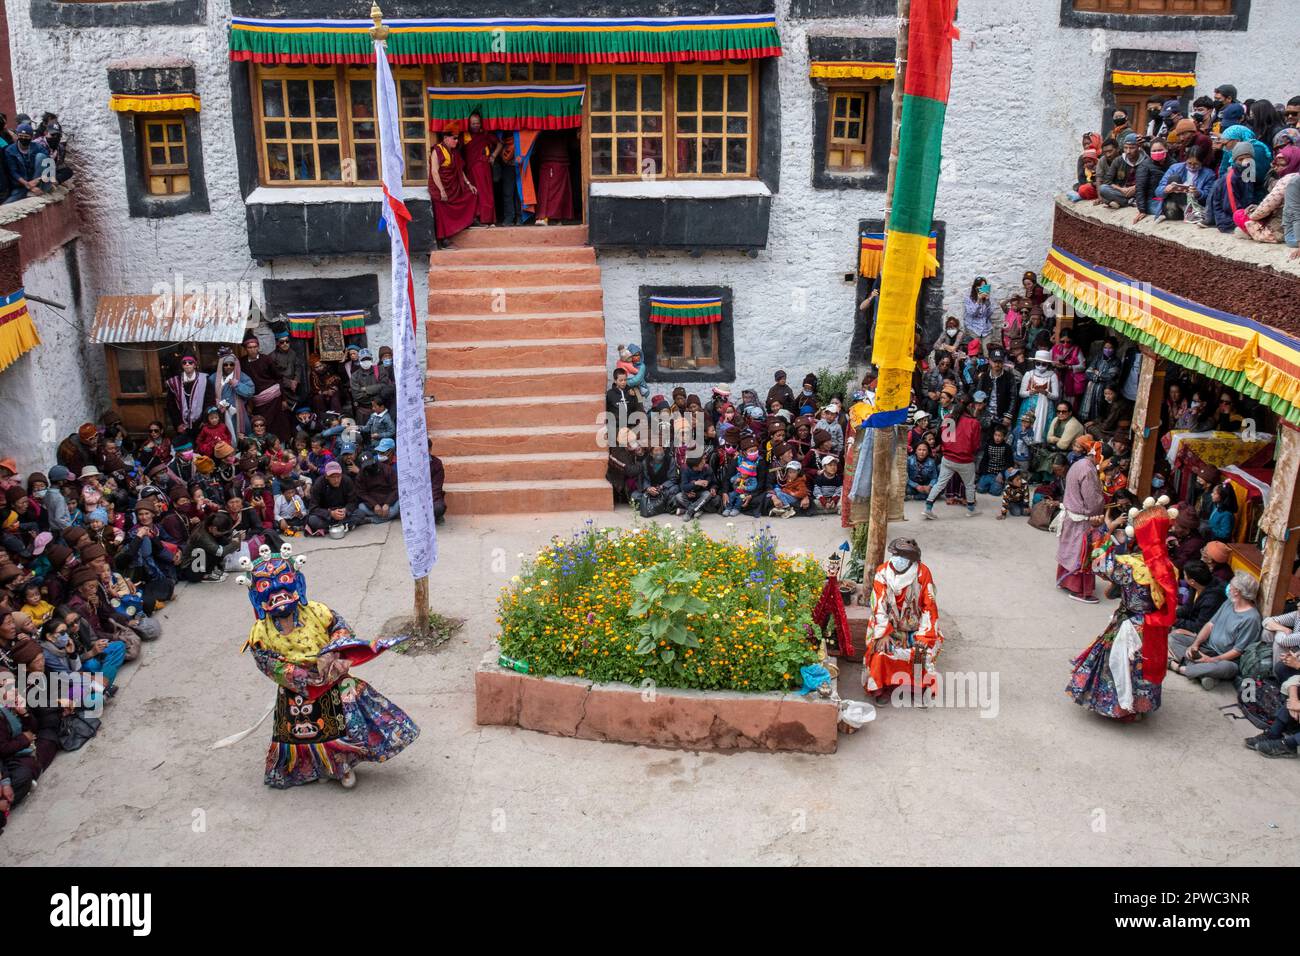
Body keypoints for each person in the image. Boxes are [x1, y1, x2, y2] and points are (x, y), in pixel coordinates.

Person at [235, 546, 418, 789]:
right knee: (304, 733)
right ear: (256, 596)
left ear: (297, 584)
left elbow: (341, 629)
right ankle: (316, 768)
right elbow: (266, 662)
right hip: (298, 689)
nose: (278, 593)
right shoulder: (260, 633)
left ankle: (341, 767)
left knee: (341, 725)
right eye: (266, 587)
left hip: (331, 677)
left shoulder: (317, 611)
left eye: (284, 582)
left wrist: (331, 652)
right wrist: (298, 675)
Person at [1067, 500, 1178, 720]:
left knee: (1120, 665)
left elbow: (1098, 561)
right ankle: (1140, 706)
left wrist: (1101, 530)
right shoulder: (1170, 568)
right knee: (1143, 665)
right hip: (1152, 626)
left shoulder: (1131, 565)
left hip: (1128, 624)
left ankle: (1119, 707)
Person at [861, 537, 943, 702]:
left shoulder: (922, 573)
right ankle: (881, 687)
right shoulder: (882, 573)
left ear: (911, 560)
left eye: (903, 557)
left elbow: (929, 607)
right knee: (880, 650)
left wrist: (923, 637)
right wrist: (883, 633)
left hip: (917, 627)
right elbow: (878, 607)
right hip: (888, 628)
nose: (898, 559)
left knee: (921, 653)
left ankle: (915, 687)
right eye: (895, 555)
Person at [1168, 571, 1263, 689]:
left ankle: (1178, 667)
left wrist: (1211, 660)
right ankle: (1202, 674)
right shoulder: (1229, 603)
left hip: (1224, 658)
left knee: (1226, 668)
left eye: (1231, 586)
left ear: (1237, 591)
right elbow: (1210, 625)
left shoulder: (1252, 618)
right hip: (1206, 647)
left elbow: (1237, 651)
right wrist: (1195, 645)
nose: (1229, 588)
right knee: (1173, 637)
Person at [1056, 441, 1107, 603]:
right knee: (1082, 554)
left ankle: (1066, 582)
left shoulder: (1079, 464)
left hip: (1072, 515)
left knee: (1070, 550)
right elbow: (1092, 499)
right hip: (1081, 518)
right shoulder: (1088, 470)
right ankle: (1080, 591)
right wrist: (1100, 511)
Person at [923, 395, 980, 519]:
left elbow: (944, 440)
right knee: (969, 485)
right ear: (970, 406)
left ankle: (928, 508)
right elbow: (975, 445)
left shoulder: (948, 418)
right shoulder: (974, 422)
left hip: (948, 458)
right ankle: (970, 509)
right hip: (965, 460)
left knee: (940, 483)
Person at [429, 123, 478, 246]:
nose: (457, 141)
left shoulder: (454, 153)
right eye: (454, 138)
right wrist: (441, 190)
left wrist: (468, 184)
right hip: (440, 187)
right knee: (441, 208)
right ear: (446, 138)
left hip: (452, 187)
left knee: (470, 194)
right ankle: (443, 238)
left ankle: (468, 221)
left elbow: (459, 170)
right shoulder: (437, 150)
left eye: (457, 138)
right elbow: (434, 171)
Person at [461, 111, 499, 227]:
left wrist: (493, 156)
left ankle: (488, 219)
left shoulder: (485, 134)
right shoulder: (465, 136)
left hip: (484, 167)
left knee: (486, 192)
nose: (475, 126)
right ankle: (476, 217)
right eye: (473, 124)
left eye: (477, 123)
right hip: (471, 168)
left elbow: (500, 144)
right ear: (468, 124)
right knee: (474, 192)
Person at [3, 122, 50, 203]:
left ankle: (36, 190)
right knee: (7, 204)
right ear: (17, 136)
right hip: (22, 185)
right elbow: (13, 171)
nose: (23, 138)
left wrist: (37, 180)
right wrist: (28, 185)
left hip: (40, 182)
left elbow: (49, 163)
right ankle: (31, 191)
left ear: (31, 137)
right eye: (20, 136)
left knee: (41, 156)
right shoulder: (10, 150)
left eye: (26, 137)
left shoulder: (37, 147)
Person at [533, 131, 573, 225]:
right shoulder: (545, 130)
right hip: (550, 162)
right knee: (548, 190)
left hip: (556, 162)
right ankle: (553, 218)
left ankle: (548, 217)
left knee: (551, 191)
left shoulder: (559, 130)